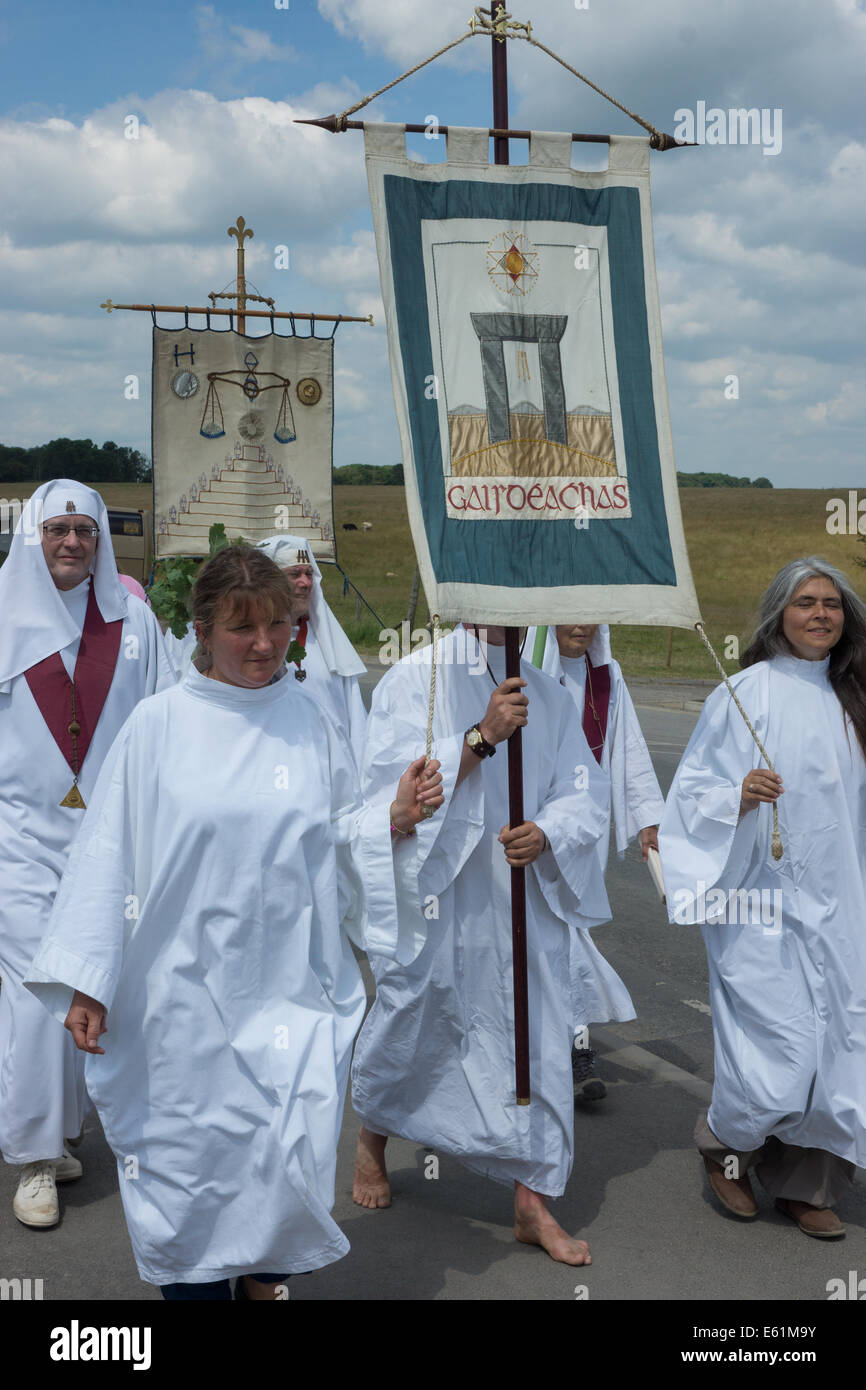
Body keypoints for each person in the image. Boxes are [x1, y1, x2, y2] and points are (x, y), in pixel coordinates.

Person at [25, 545, 442, 1298]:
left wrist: (392, 819)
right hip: (178, 1002)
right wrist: (88, 982)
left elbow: (340, 833)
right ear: (202, 628)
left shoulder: (310, 720)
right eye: (242, 627)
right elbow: (107, 856)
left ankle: (260, 1277)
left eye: (278, 625)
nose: (262, 645)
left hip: (291, 987)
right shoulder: (159, 726)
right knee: (190, 1175)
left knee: (287, 1159)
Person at [351, 622, 612, 1265]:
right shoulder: (417, 678)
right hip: (441, 893)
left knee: (537, 1035)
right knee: (416, 1018)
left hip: (521, 897)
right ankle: (372, 1139)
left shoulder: (548, 693)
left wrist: (547, 831)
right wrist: (482, 737)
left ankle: (532, 1199)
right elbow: (392, 794)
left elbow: (586, 791)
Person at [659, 557, 866, 1238]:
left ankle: (807, 1185)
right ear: (780, 613)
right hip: (760, 906)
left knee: (840, 1047)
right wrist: (736, 796)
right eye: (806, 602)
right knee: (784, 1053)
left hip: (841, 905)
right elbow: (688, 799)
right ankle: (724, 1141)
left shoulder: (854, 698)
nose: (820, 615)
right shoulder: (742, 693)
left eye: (831, 604)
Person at [0, 480, 174, 1229]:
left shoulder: (133, 623)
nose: (72, 542)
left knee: (93, 982)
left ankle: (64, 1127)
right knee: (37, 987)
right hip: (17, 841)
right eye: (57, 529)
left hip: (108, 842)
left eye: (85, 530)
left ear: (102, 540)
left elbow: (170, 723)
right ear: (32, 535)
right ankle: (36, 1156)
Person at [527, 624, 664, 1100]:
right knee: (537, 938)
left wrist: (648, 818)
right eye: (569, 615)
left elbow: (629, 747)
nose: (580, 626)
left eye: (590, 616)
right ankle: (549, 1046)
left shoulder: (606, 676)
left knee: (570, 933)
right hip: (526, 826)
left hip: (582, 831)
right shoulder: (520, 669)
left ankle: (574, 1048)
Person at [256, 535, 368, 764]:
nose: (306, 583)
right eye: (295, 574)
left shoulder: (332, 647)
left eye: (309, 574)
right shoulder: (251, 651)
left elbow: (357, 730)